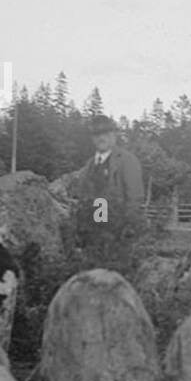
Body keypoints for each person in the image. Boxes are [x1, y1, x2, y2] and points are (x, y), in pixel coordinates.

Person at [72, 113, 146, 272]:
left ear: (114, 135)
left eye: (106, 133)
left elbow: (135, 198)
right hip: (93, 235)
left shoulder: (127, 161)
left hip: (117, 233)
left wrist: (128, 230)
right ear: (92, 138)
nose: (101, 138)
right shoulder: (88, 166)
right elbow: (83, 200)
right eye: (97, 134)